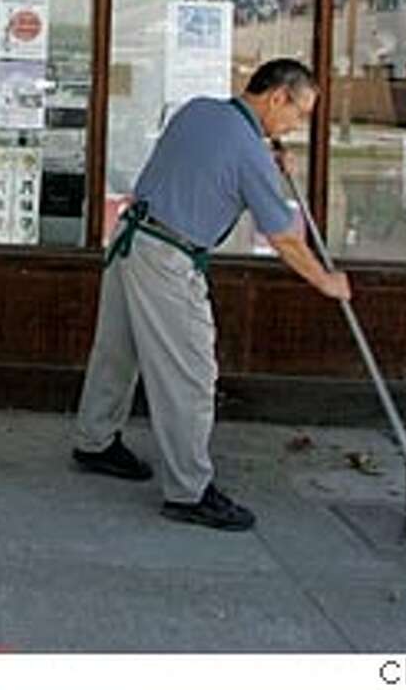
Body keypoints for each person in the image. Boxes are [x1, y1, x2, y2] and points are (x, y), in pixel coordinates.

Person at [70, 58, 351, 531]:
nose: (296, 125)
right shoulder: (250, 152)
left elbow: (207, 159)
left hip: (131, 238)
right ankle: (189, 491)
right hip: (168, 258)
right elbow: (283, 237)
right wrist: (325, 280)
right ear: (277, 96)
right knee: (192, 374)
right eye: (298, 113)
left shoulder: (200, 110)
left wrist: (264, 156)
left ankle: (95, 441)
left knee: (117, 351)